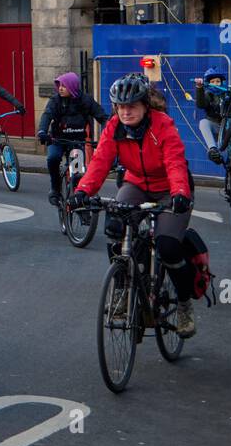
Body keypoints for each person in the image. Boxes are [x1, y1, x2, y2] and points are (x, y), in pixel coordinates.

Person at [71, 73, 197, 337]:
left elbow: (175, 162)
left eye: (132, 106)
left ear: (144, 105)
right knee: (115, 226)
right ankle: (121, 288)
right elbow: (100, 161)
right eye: (120, 106)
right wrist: (83, 190)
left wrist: (180, 193)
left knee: (168, 246)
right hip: (137, 183)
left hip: (169, 189)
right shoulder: (114, 127)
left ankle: (184, 305)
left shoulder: (163, 125)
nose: (125, 112)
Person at [37, 72, 109, 205]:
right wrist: (42, 131)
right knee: (53, 158)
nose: (60, 88)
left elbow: (103, 118)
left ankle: (81, 202)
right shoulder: (55, 100)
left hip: (76, 141)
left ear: (72, 86)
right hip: (57, 140)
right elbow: (47, 115)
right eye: (59, 85)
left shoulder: (86, 100)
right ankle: (55, 189)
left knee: (77, 172)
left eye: (64, 86)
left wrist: (106, 135)